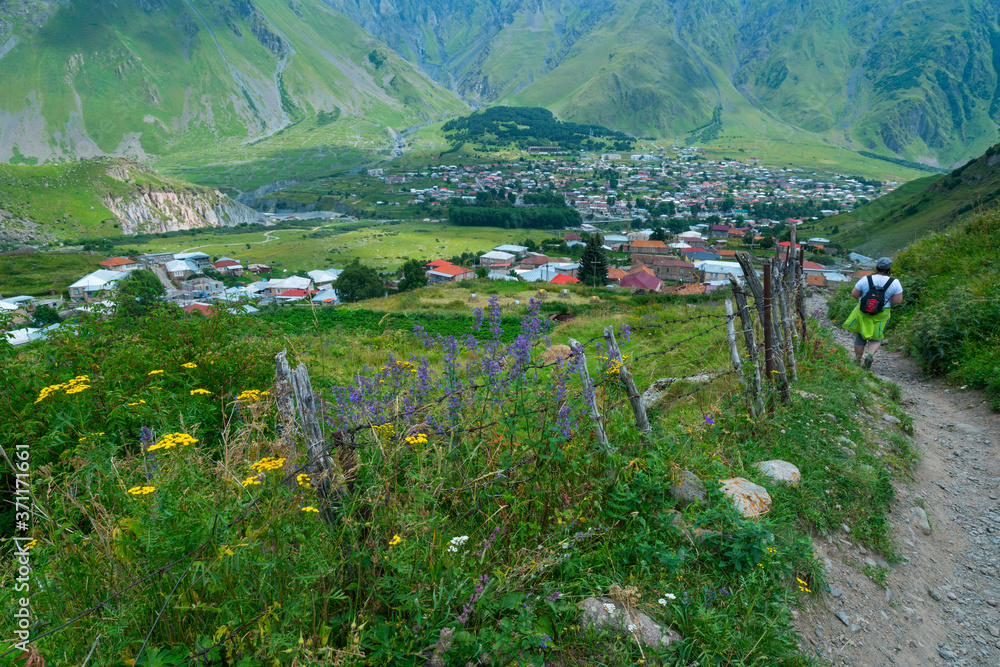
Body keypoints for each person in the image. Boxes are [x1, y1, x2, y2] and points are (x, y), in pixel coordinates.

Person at [843, 256, 903, 369]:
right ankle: (870, 355)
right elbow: (897, 301)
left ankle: (857, 359)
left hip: (863, 311)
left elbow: (854, 294)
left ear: (876, 267)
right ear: (890, 268)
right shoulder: (895, 282)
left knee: (860, 335)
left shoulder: (866, 279)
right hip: (882, 313)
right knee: (876, 338)